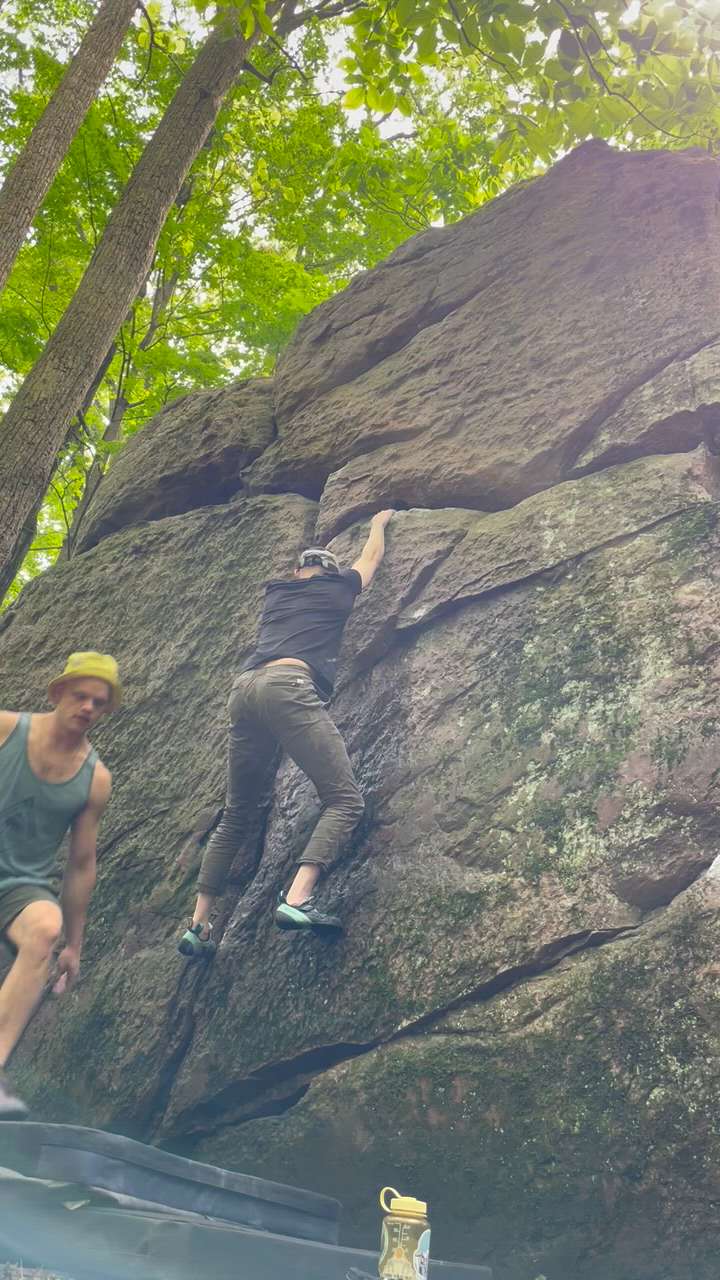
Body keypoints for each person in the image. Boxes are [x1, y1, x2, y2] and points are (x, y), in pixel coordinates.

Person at [179, 510, 395, 957]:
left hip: (244, 691)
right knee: (344, 799)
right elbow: (370, 562)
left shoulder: (277, 596)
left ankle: (197, 926)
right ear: (330, 575)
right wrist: (379, 524)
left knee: (236, 814)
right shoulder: (338, 590)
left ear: (299, 572)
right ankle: (298, 899)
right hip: (288, 688)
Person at [0, 652, 118, 1120]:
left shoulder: (95, 779)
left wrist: (75, 942)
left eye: (99, 702)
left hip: (19, 888)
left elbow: (81, 864)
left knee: (45, 928)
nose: (88, 707)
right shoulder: (7, 729)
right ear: (57, 695)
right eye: (79, 696)